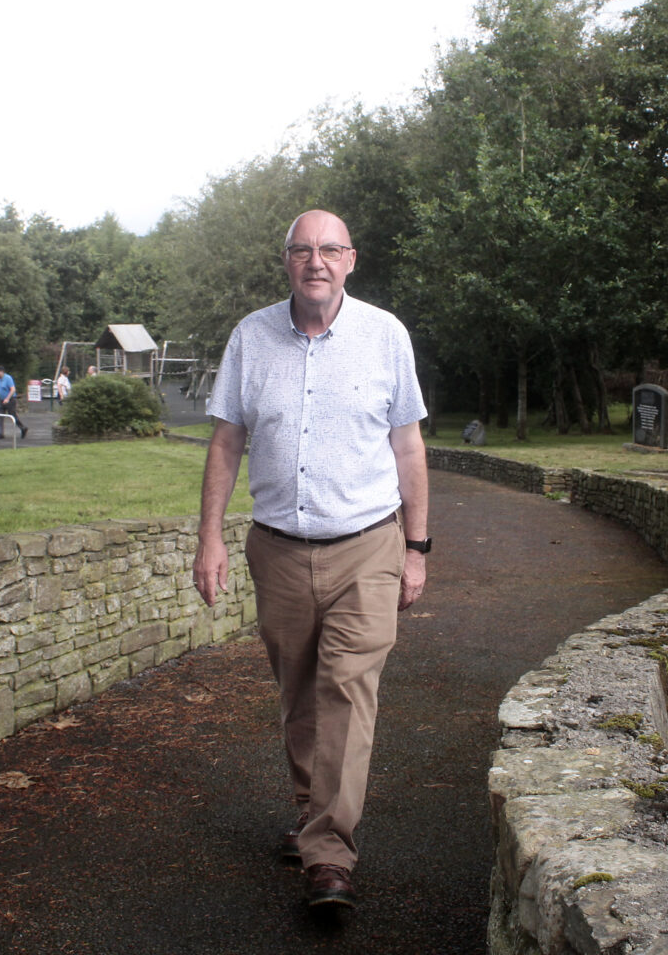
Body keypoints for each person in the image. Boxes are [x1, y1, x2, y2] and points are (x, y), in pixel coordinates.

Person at [193, 209, 430, 911]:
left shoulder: (385, 335)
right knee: (299, 695)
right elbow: (226, 442)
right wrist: (209, 538)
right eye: (303, 250)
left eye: (329, 250)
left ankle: (329, 854)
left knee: (347, 692)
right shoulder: (250, 336)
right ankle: (311, 813)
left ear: (350, 260)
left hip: (369, 546)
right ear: (287, 262)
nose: (316, 262)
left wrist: (417, 549)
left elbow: (410, 447)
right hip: (279, 551)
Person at [0, 365, 27, 440]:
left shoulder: (8, 378)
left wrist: (7, 398)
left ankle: (23, 428)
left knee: (13, 416)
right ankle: (1, 433)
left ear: (1, 371)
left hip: (10, 400)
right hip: (1, 400)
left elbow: (13, 389)